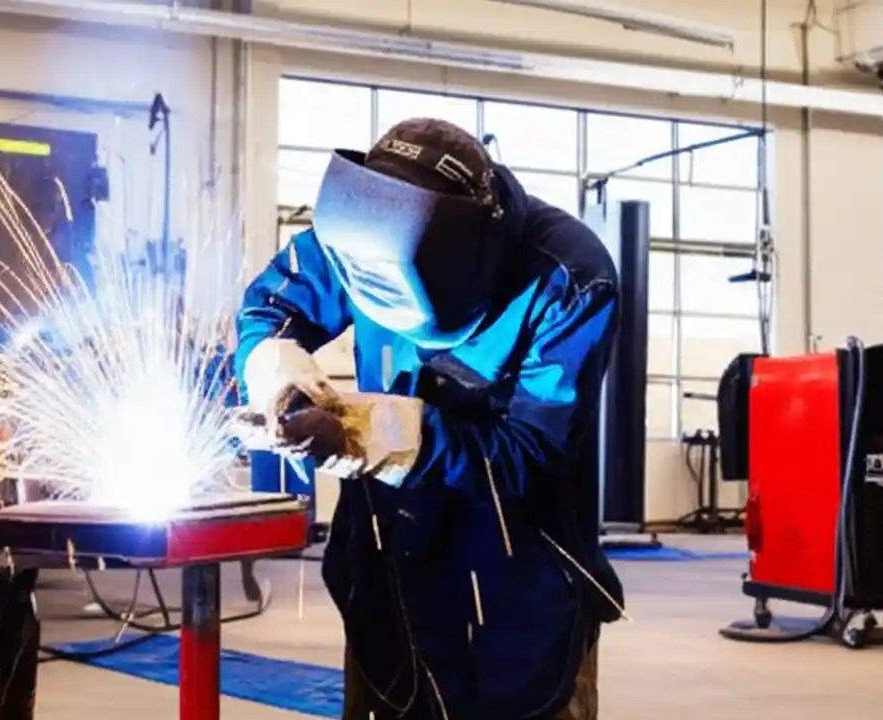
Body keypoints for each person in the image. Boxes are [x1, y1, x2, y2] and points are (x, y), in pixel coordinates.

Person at [234, 118, 623, 720]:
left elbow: (529, 455)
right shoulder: (360, 229)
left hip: (520, 597)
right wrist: (272, 362)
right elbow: (274, 303)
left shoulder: (567, 280)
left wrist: (367, 434)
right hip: (384, 582)